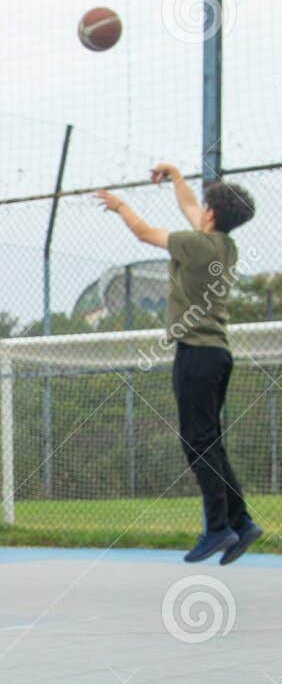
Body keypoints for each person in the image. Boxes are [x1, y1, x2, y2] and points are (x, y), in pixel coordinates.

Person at [97, 163, 260, 565]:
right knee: (209, 442)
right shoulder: (223, 245)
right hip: (218, 354)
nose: (197, 208)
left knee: (197, 443)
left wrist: (120, 206)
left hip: (196, 353)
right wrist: (175, 176)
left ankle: (219, 526)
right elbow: (190, 208)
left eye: (203, 206)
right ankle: (240, 521)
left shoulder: (195, 244)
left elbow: (144, 232)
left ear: (211, 214)